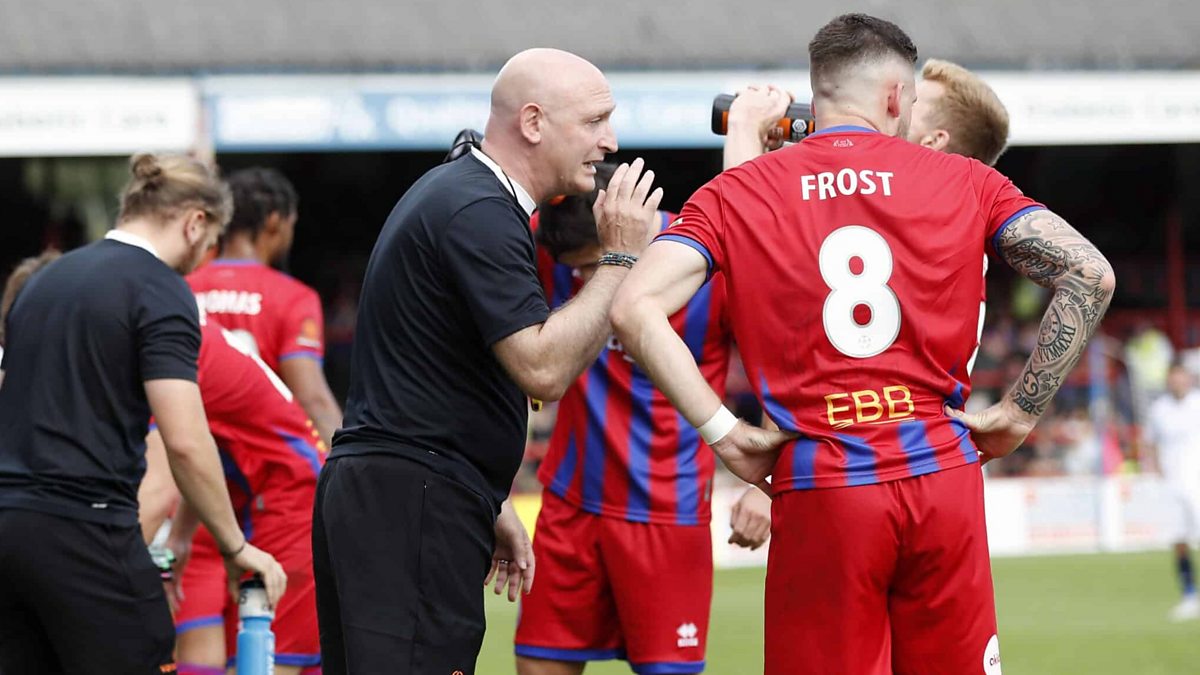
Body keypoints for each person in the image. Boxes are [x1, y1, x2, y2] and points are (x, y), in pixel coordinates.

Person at [610, 13, 1115, 675]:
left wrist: (724, 431)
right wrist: (1019, 412)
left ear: (815, 94)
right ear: (894, 97)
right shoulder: (967, 181)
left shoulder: (741, 191)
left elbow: (631, 305)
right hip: (940, 469)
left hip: (825, 480)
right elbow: (1090, 272)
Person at [313, 48, 659, 675]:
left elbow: (430, 371)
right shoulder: (479, 209)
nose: (609, 141)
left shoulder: (465, 196)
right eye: (594, 121)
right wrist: (619, 259)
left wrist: (486, 494)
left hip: (405, 490)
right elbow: (543, 369)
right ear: (532, 122)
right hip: (410, 498)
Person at [0, 154, 286, 674]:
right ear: (194, 222)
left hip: (10, 528)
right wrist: (233, 544)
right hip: (86, 530)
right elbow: (184, 439)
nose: (203, 259)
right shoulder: (158, 288)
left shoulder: (43, 280)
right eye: (209, 243)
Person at [516, 155, 772, 674]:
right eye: (578, 272)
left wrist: (766, 488)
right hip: (570, 503)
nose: (589, 281)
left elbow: (783, 364)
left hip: (666, 511)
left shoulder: (711, 262)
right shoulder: (561, 235)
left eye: (595, 264)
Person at [137, 316, 326, 674]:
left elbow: (159, 489)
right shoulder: (174, 324)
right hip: (263, 500)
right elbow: (204, 456)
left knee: (262, 665)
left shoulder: (160, 341)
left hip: (291, 502)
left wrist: (95, 581)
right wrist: (179, 539)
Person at [187, 167, 342, 446]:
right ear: (274, 221)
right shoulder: (293, 297)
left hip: (192, 460)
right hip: (264, 468)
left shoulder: (182, 289)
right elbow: (312, 400)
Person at [1144, 361, 1200, 622]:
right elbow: (1150, 443)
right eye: (1174, 377)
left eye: (1182, 377)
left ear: (1189, 379)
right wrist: (1156, 471)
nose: (1178, 381)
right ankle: (1189, 595)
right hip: (1173, 486)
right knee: (1179, 541)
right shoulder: (1159, 410)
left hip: (1197, 483)